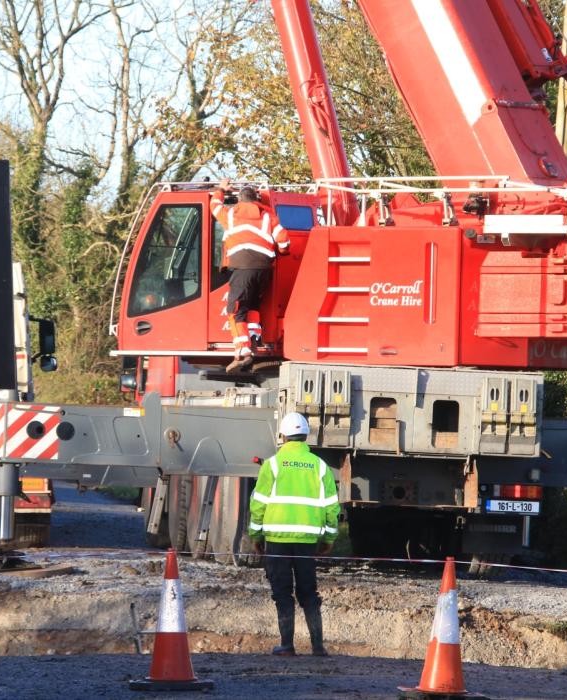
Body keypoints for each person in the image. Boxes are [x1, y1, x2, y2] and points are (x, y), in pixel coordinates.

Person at [248, 411, 340, 656]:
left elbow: (258, 504)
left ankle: (287, 645)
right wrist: (329, 538)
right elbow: (332, 507)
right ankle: (318, 647)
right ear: (306, 436)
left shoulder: (273, 464)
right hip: (307, 542)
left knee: (282, 592)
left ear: (283, 436)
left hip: (277, 540)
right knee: (309, 592)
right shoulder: (320, 466)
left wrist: (256, 536)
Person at [210, 179, 289, 373]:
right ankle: (253, 339)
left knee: (235, 309)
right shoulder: (268, 215)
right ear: (256, 200)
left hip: (242, 267)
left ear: (239, 200)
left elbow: (214, 205)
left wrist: (221, 189)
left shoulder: (231, 214)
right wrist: (282, 250)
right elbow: (284, 240)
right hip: (264, 270)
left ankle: (242, 351)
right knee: (252, 304)